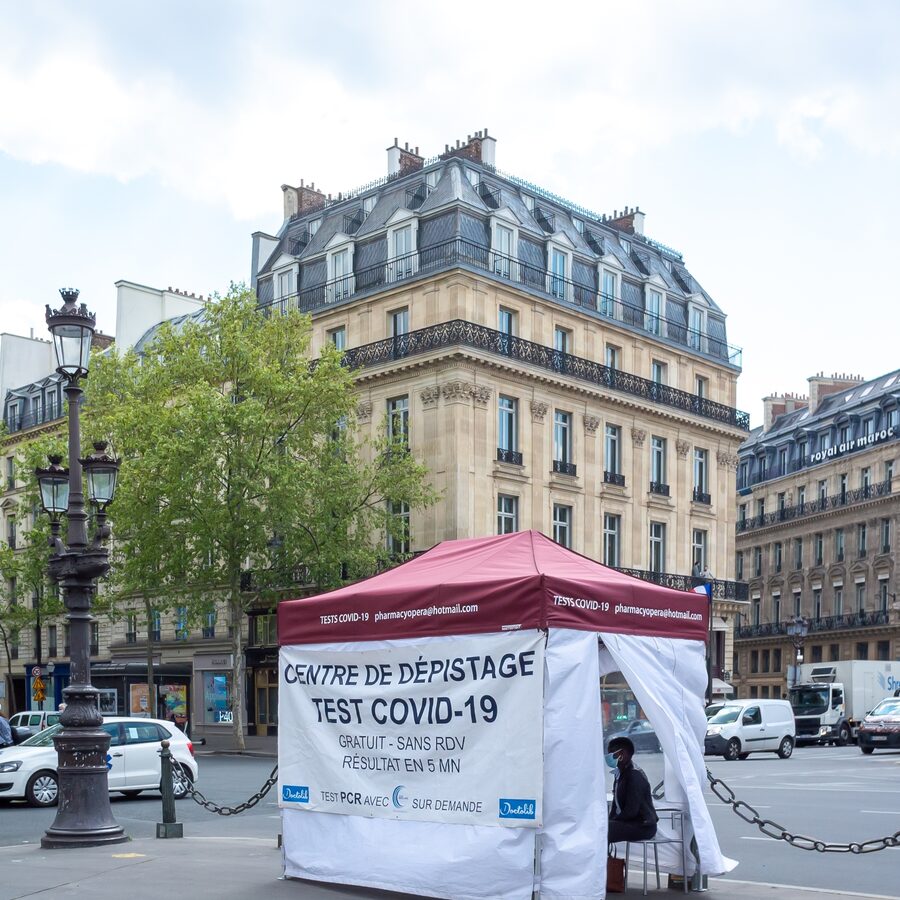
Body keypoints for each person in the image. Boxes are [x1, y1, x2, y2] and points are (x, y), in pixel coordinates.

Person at [606, 736, 658, 844]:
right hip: (631, 823)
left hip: (643, 826)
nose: (608, 757)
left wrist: (612, 822)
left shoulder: (634, 775)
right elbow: (616, 807)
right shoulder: (620, 774)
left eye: (611, 754)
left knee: (602, 831)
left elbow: (631, 811)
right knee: (600, 828)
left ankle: (602, 860)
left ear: (622, 754)